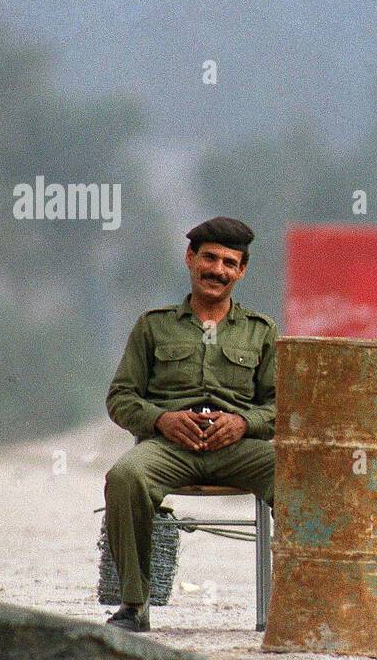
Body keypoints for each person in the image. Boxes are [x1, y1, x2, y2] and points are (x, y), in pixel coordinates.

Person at [103, 217, 277, 631]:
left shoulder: (262, 331)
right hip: (169, 450)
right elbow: (120, 398)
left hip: (239, 451)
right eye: (209, 258)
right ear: (190, 258)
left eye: (229, 263)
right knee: (125, 476)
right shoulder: (153, 325)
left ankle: (301, 602)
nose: (218, 270)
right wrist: (161, 419)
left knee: (303, 476)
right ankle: (133, 605)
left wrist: (243, 423)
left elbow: (281, 407)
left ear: (242, 270)